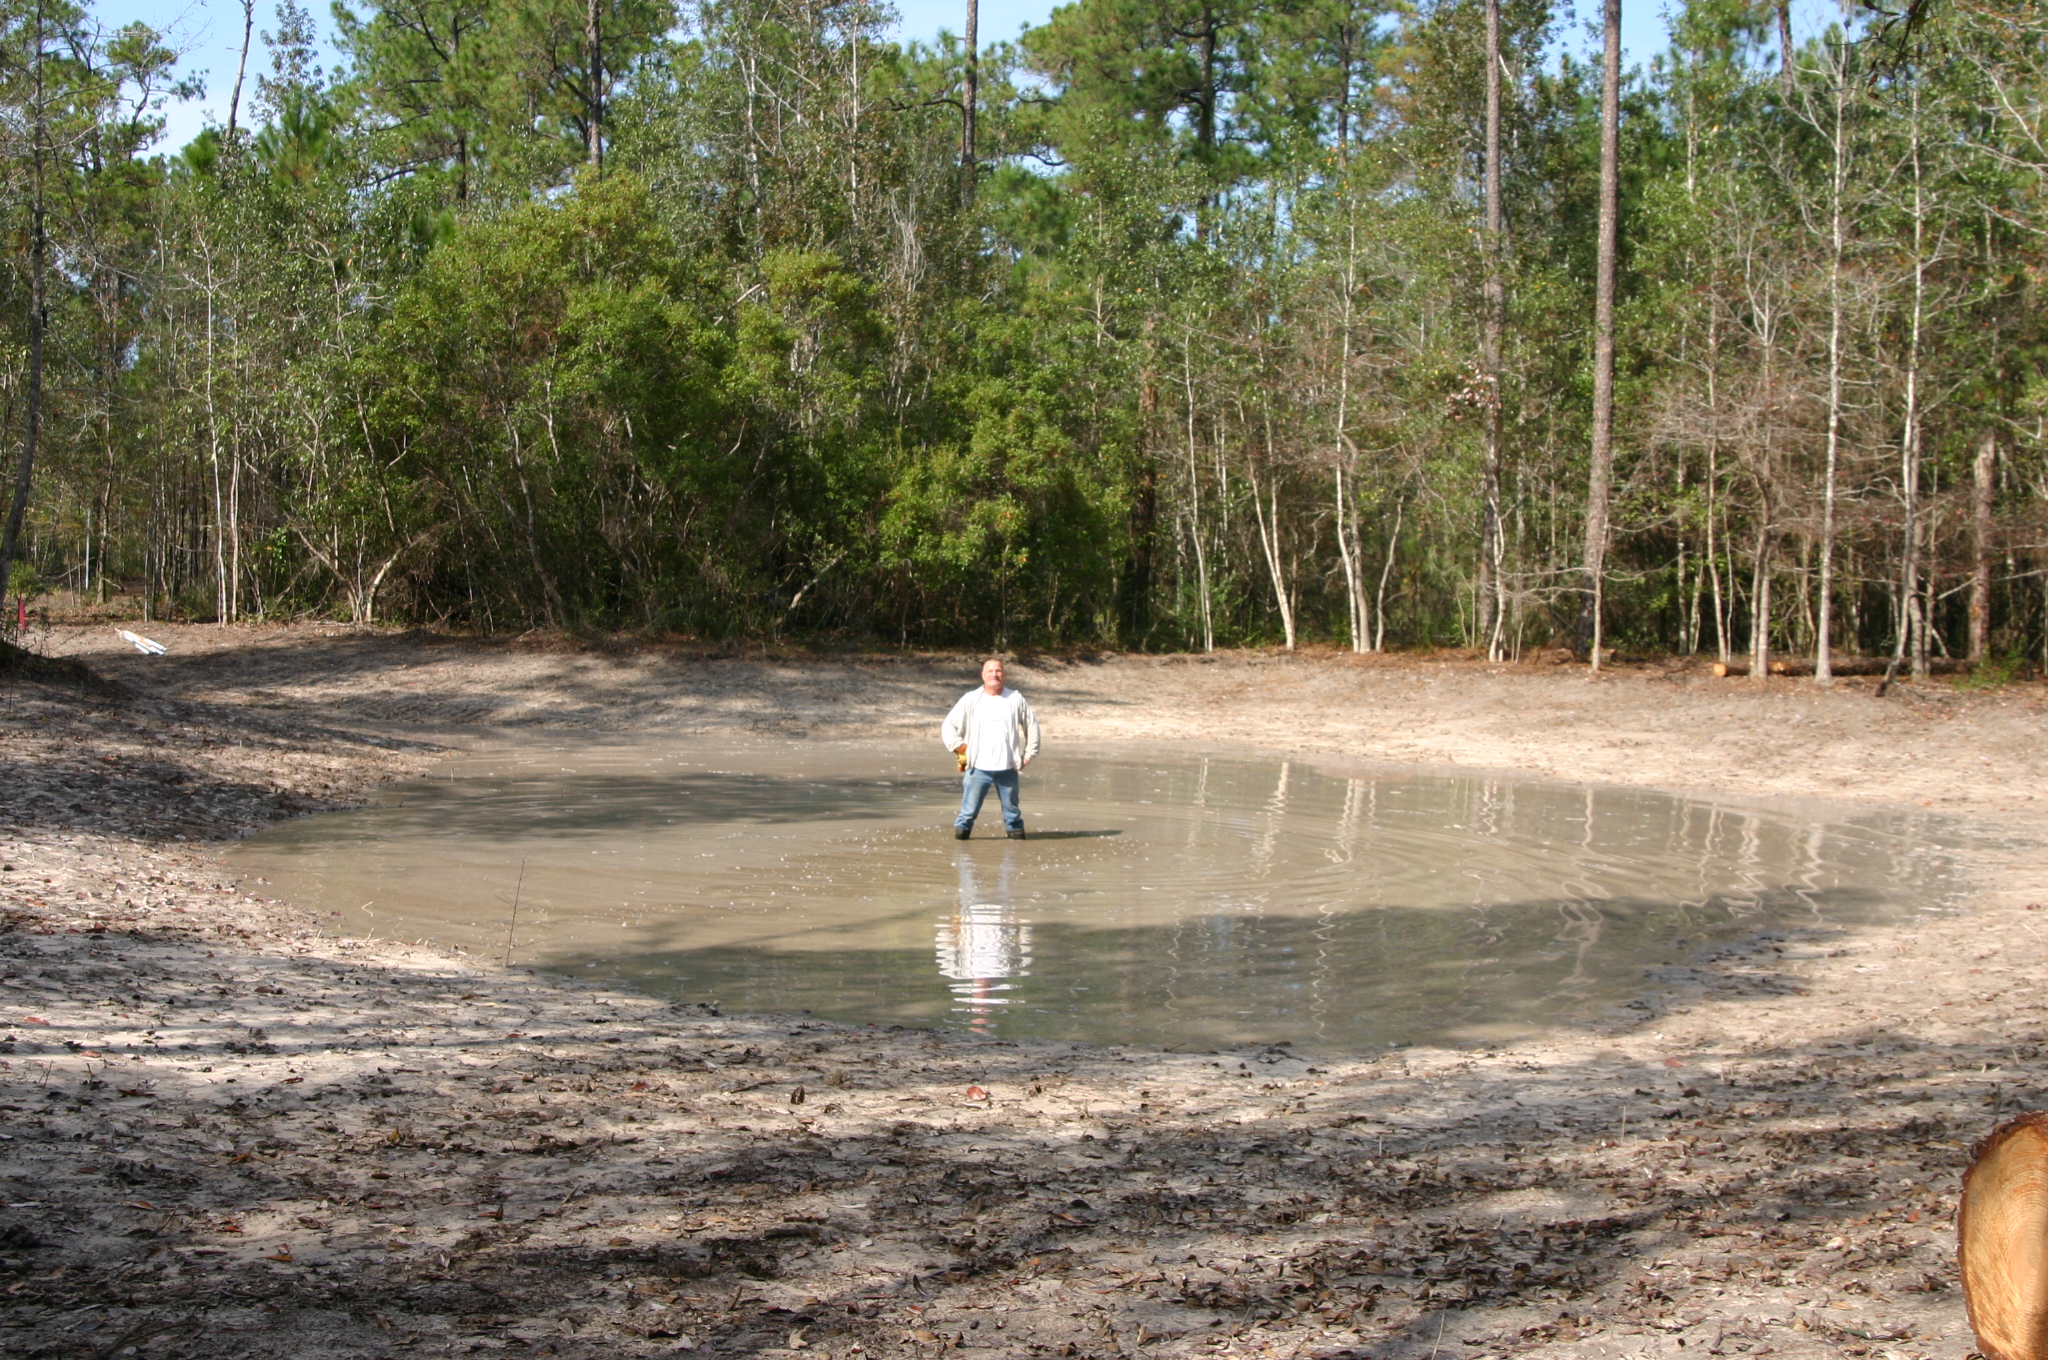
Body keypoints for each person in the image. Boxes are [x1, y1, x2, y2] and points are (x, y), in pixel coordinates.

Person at [941, 658, 1041, 840]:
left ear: (1004, 675)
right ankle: (961, 855)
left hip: (1008, 768)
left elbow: (1032, 726)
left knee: (1013, 816)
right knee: (967, 815)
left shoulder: (1015, 698)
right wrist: (960, 749)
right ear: (983, 675)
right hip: (977, 768)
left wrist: (1028, 755)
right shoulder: (971, 699)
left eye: (999, 671)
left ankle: (1016, 856)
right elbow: (948, 727)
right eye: (990, 671)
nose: (995, 674)